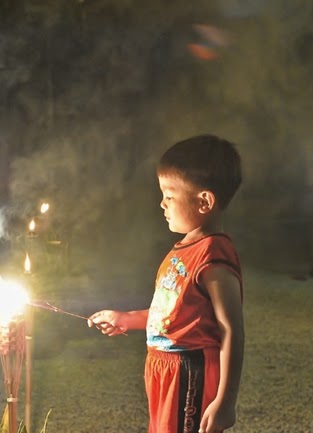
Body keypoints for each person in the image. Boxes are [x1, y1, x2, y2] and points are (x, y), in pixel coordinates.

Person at [88, 135, 244, 433]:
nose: (162, 203)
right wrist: (127, 319)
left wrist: (226, 401)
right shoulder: (181, 250)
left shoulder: (212, 255)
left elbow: (231, 330)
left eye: (169, 195)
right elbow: (174, 313)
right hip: (163, 372)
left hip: (189, 373)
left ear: (204, 201)